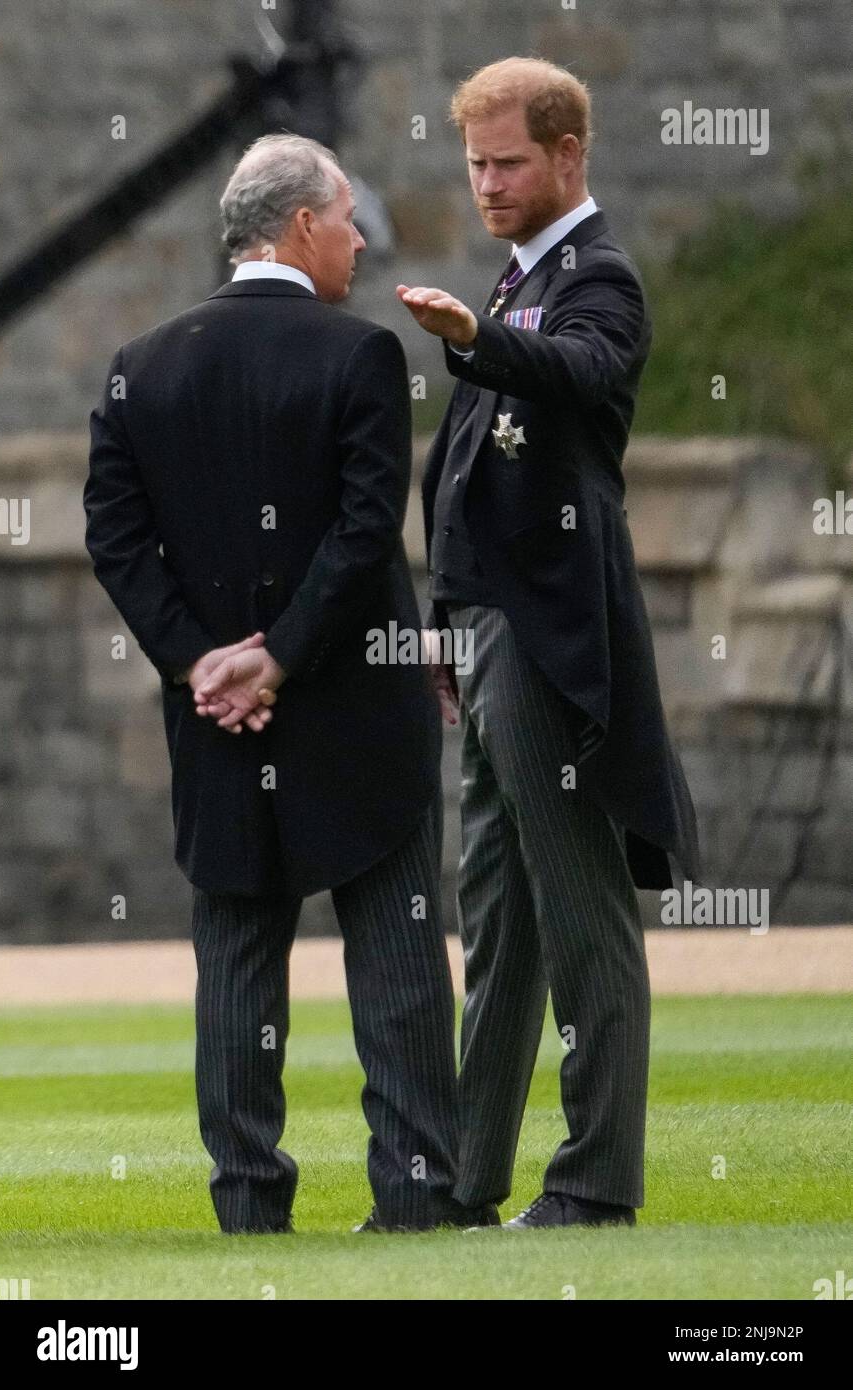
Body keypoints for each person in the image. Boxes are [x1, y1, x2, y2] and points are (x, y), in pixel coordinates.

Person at [84, 133, 475, 1235]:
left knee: (236, 971)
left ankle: (249, 1204)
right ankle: (412, 1194)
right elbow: (363, 536)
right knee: (396, 961)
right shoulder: (355, 356)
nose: (358, 238)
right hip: (355, 707)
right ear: (300, 226)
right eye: (348, 218)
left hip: (216, 720)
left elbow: (115, 540)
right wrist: (282, 653)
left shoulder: (137, 364)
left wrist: (202, 660)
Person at [398, 58, 702, 1229]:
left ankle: (592, 1183)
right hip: (484, 635)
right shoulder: (518, 278)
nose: (484, 182)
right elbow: (470, 480)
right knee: (500, 917)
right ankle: (464, 1181)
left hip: (546, 642)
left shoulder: (597, 278)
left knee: (579, 913)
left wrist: (478, 337)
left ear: (567, 155)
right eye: (473, 162)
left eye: (506, 161)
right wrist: (440, 622)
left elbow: (582, 376)